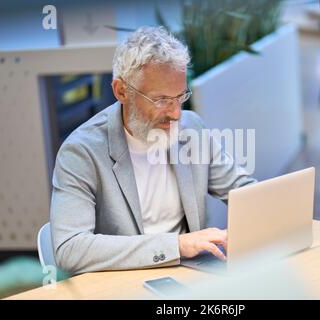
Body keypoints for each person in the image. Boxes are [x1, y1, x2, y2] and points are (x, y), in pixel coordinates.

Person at [50, 26, 256, 275]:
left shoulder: (191, 128)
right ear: (121, 91)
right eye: (161, 100)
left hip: (192, 275)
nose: (176, 114)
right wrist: (176, 246)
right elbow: (70, 249)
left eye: (180, 97)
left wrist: (263, 215)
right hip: (124, 281)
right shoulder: (81, 152)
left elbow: (243, 191)